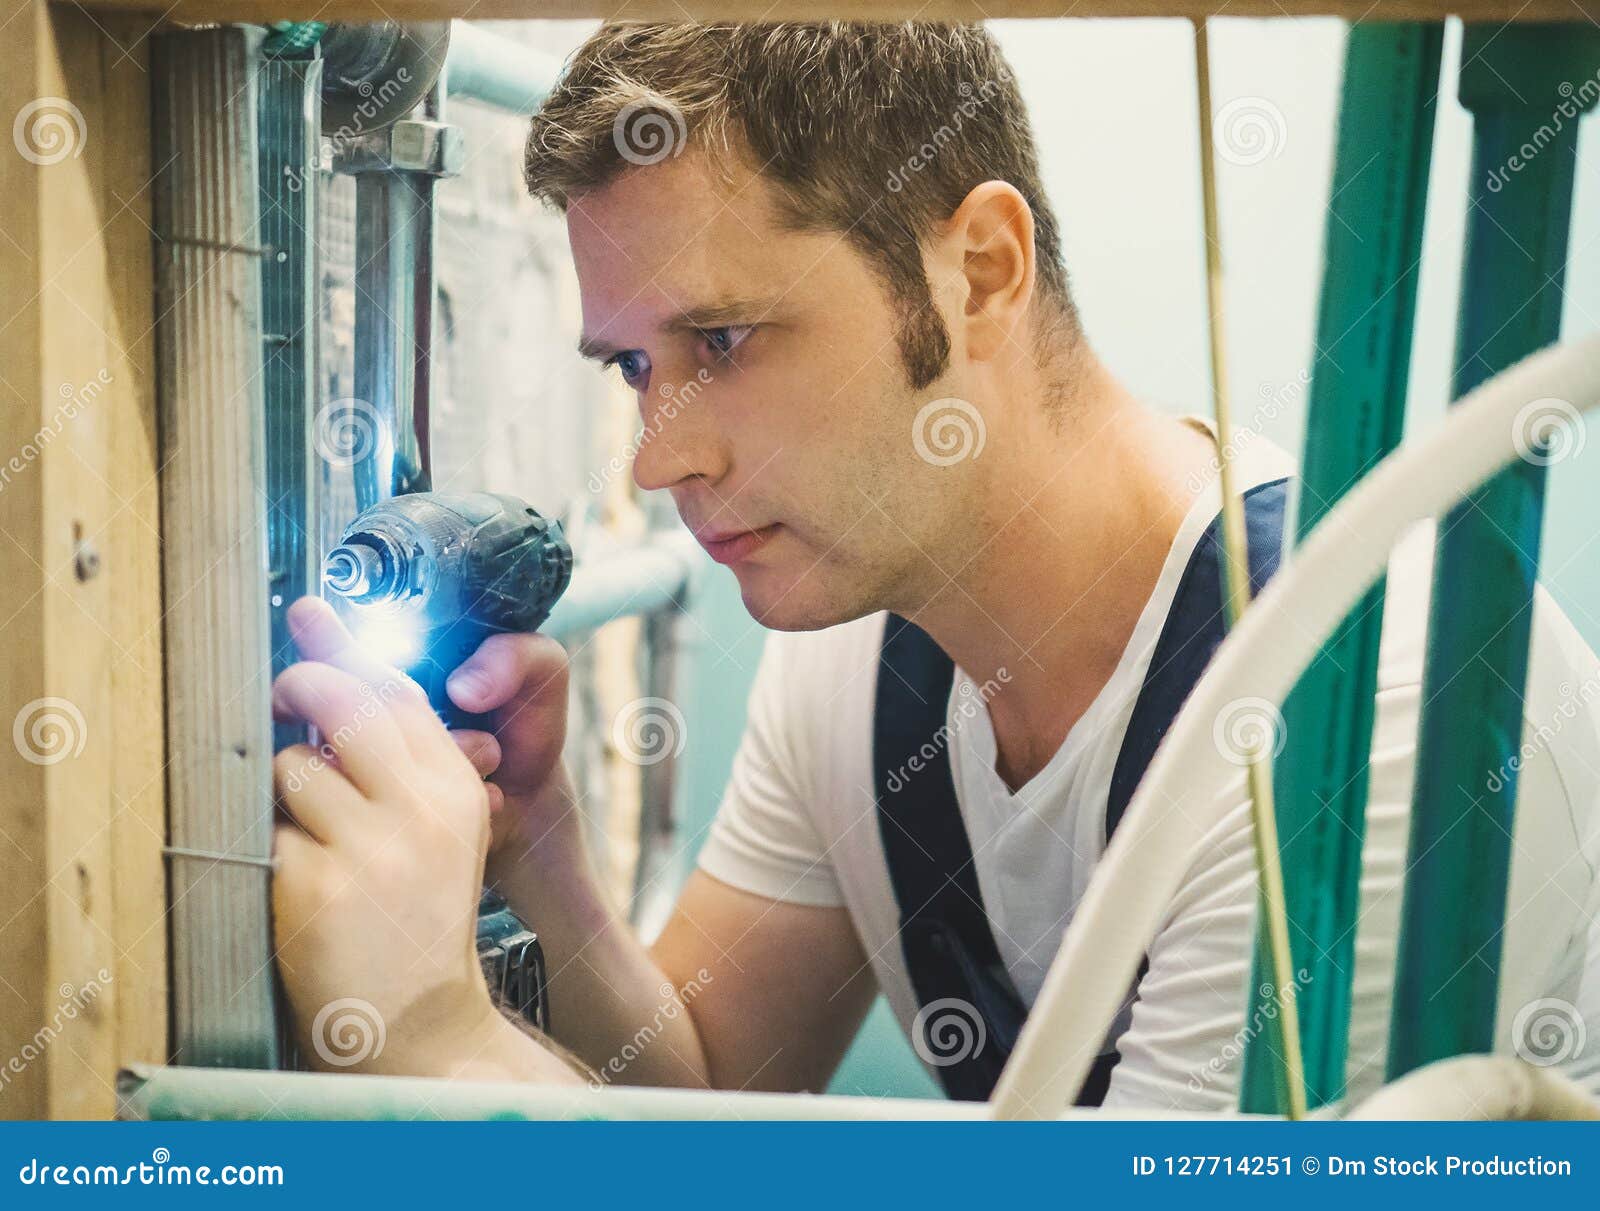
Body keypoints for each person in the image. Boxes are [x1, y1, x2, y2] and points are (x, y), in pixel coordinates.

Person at [270, 21, 1600, 1108]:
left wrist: (434, 1031)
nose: (654, 466)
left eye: (722, 342)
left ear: (980, 270)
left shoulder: (1353, 699)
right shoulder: (861, 648)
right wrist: (542, 851)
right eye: (634, 368)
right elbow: (714, 1078)